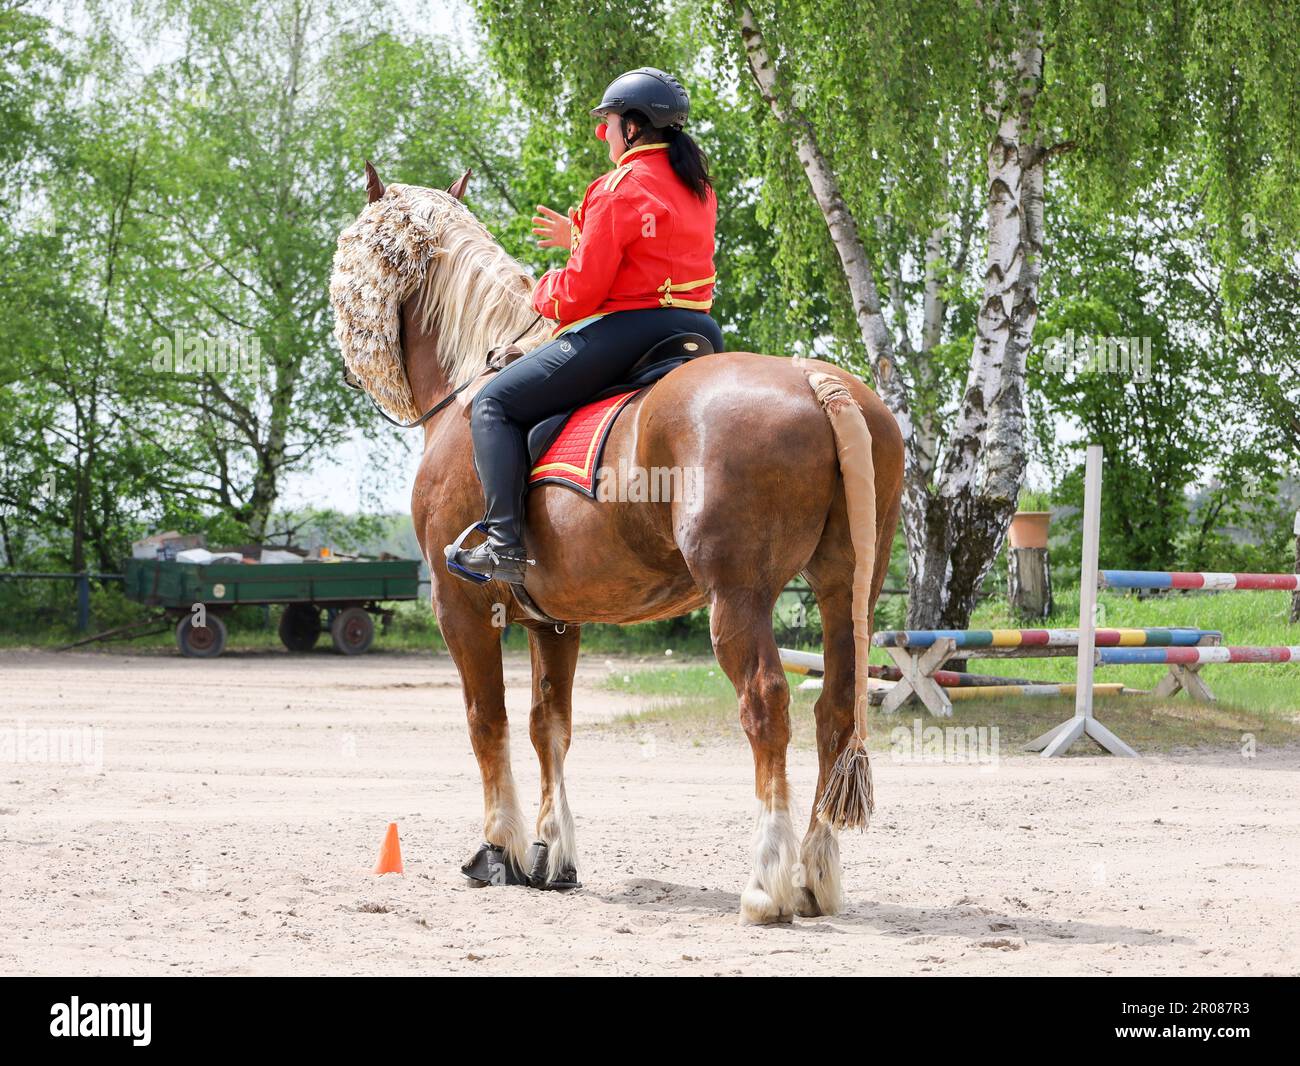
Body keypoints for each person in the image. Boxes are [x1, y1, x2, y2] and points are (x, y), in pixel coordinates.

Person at [446, 66, 725, 585]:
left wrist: (542, 288)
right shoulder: (698, 188)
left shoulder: (616, 187)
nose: (605, 134)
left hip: (629, 334)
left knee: (492, 404)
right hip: (699, 332)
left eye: (610, 123)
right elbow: (655, 249)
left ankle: (505, 543)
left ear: (634, 128)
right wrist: (579, 232)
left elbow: (579, 295)